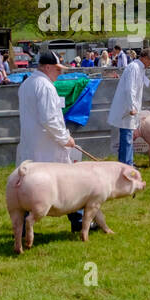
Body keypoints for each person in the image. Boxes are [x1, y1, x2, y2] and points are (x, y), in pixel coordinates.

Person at [16, 50, 90, 235]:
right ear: (47, 67)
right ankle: (79, 221)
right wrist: (65, 138)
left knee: (28, 184)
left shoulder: (27, 84)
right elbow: (49, 119)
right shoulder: (46, 87)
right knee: (67, 183)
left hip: (32, 143)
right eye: (57, 70)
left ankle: (23, 227)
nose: (60, 73)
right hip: (47, 145)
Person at [107, 46, 150, 164]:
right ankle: (127, 164)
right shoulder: (134, 68)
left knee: (127, 137)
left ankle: (125, 162)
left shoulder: (139, 68)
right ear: (145, 58)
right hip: (127, 108)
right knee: (127, 137)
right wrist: (132, 108)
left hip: (130, 107)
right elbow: (130, 89)